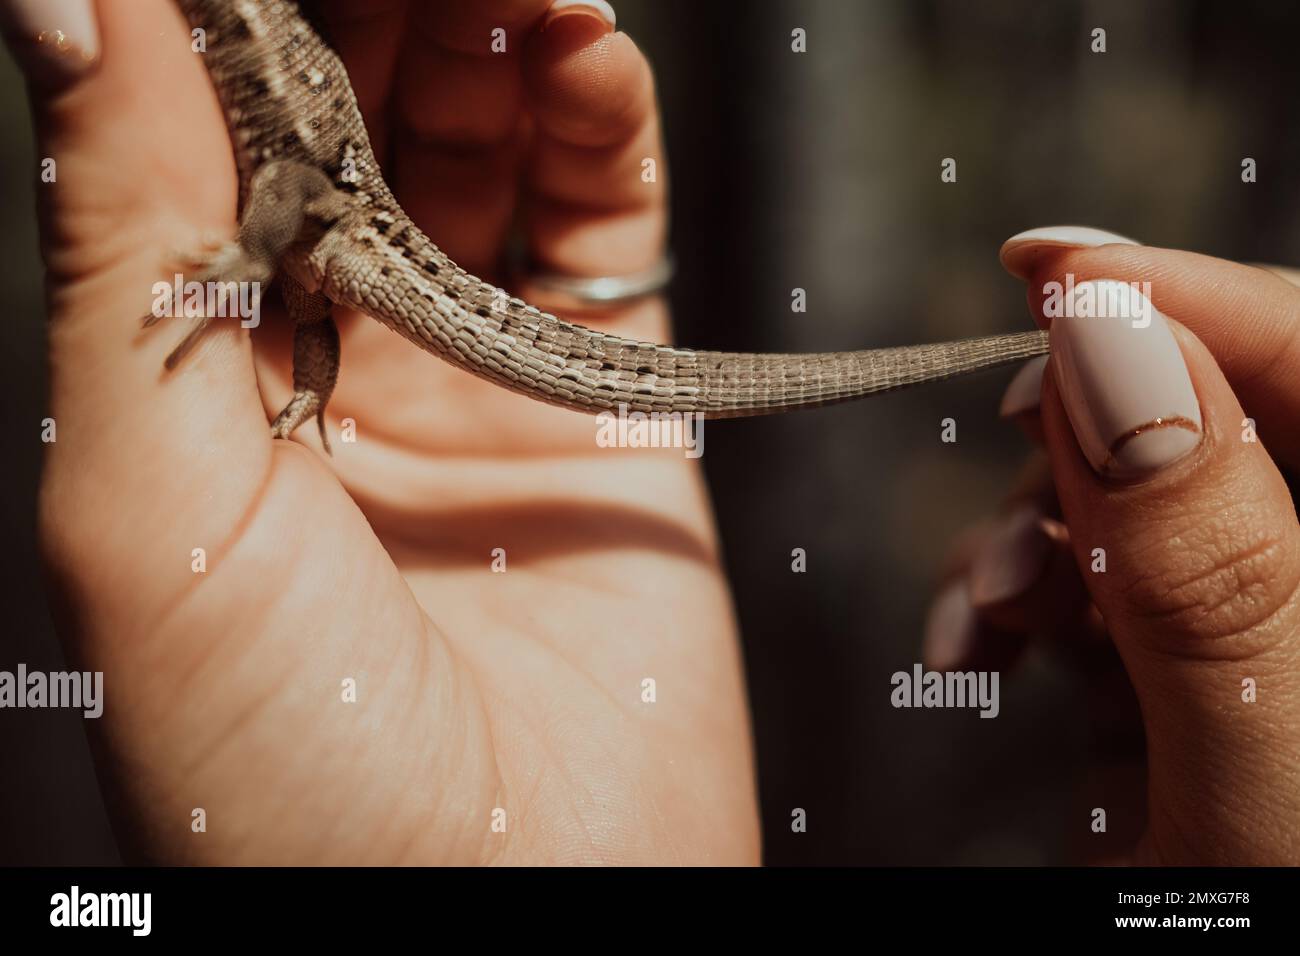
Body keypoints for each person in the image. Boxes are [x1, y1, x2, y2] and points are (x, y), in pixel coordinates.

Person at [3, 0, 1296, 865]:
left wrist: (235, 261)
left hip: (343, 220)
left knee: (312, 246)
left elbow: (297, 210)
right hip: (353, 234)